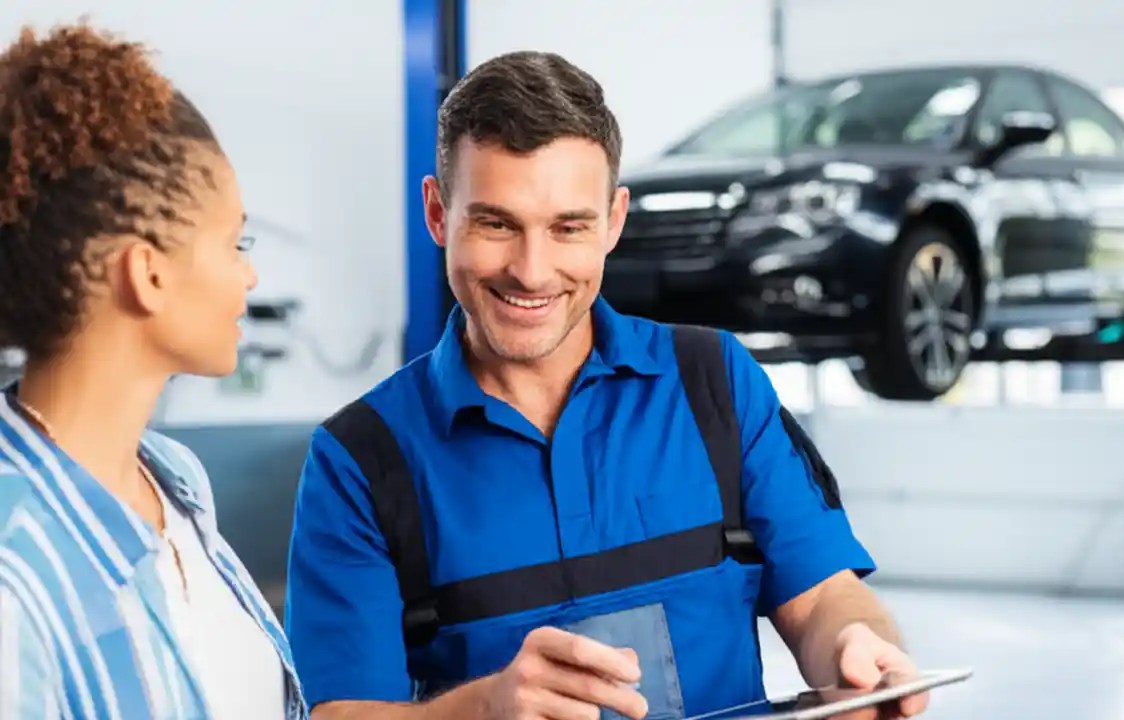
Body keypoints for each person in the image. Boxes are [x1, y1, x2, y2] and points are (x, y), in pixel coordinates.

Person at [285, 51, 928, 720]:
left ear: (614, 221)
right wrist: (484, 710)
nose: (532, 272)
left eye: (569, 227)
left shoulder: (715, 383)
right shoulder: (358, 460)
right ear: (439, 213)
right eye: (497, 223)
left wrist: (860, 649)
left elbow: (825, 598)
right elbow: (339, 713)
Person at [0, 24, 305, 719]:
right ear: (149, 274)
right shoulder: (14, 580)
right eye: (234, 242)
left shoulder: (174, 482)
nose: (249, 273)